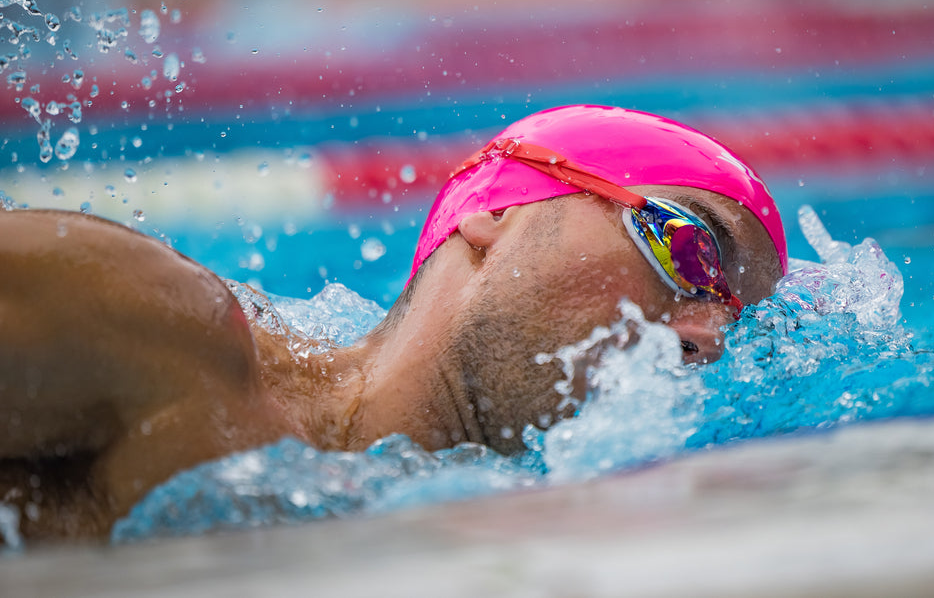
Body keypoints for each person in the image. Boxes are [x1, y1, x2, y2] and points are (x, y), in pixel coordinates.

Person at [0, 104, 786, 543]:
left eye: (733, 315)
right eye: (690, 249)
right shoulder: (163, 334)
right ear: (497, 216)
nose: (707, 335)